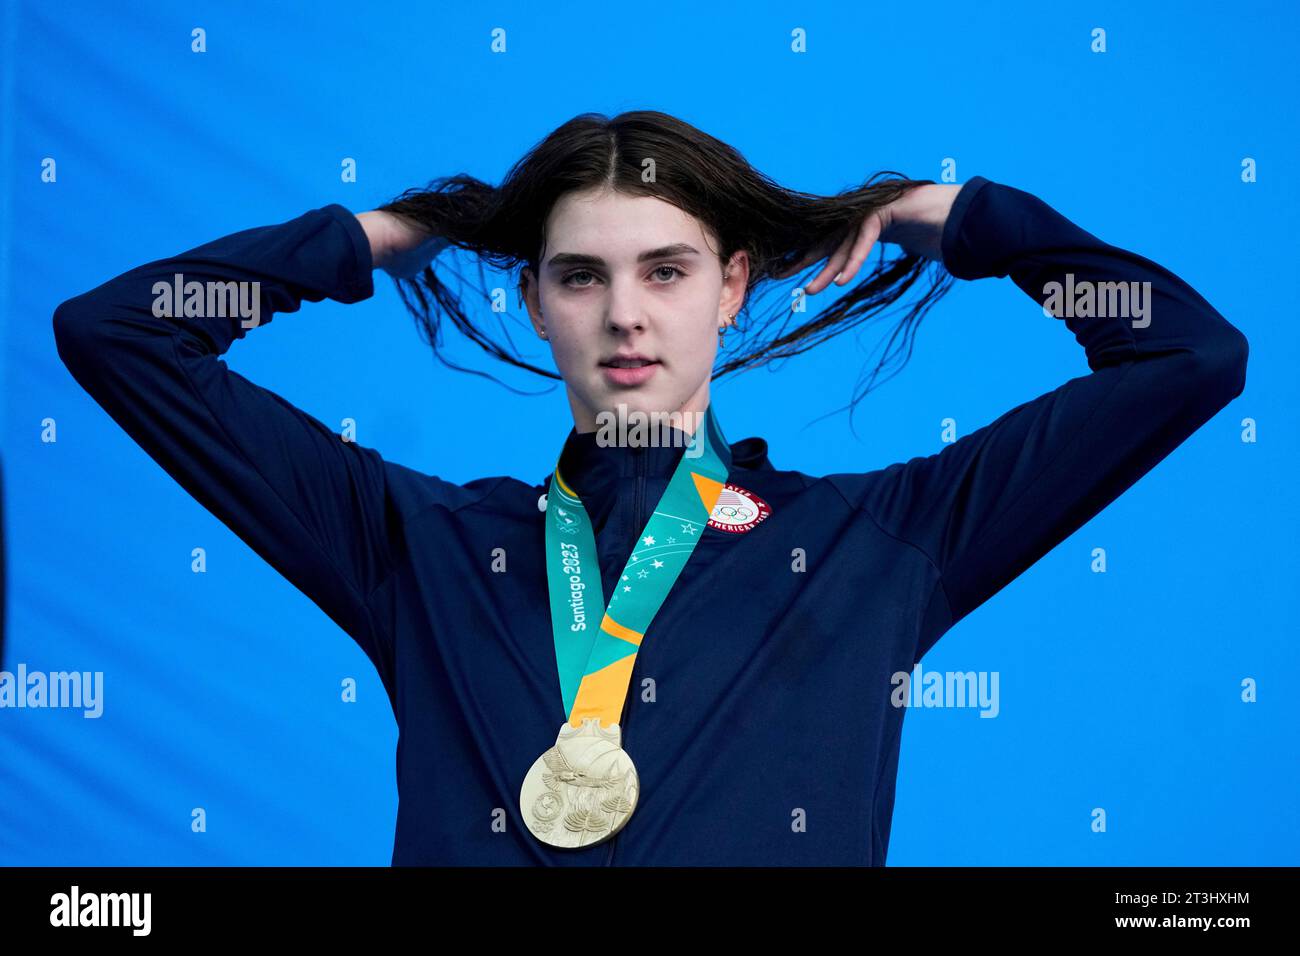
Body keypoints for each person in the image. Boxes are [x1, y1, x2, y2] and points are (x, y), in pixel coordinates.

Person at [53, 111, 1248, 865]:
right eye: (579, 275)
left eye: (665, 271)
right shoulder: (415, 543)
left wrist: (962, 219)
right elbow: (117, 336)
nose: (623, 313)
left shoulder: (877, 540)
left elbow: (1188, 355)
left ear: (732, 286)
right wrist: (365, 240)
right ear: (532, 300)